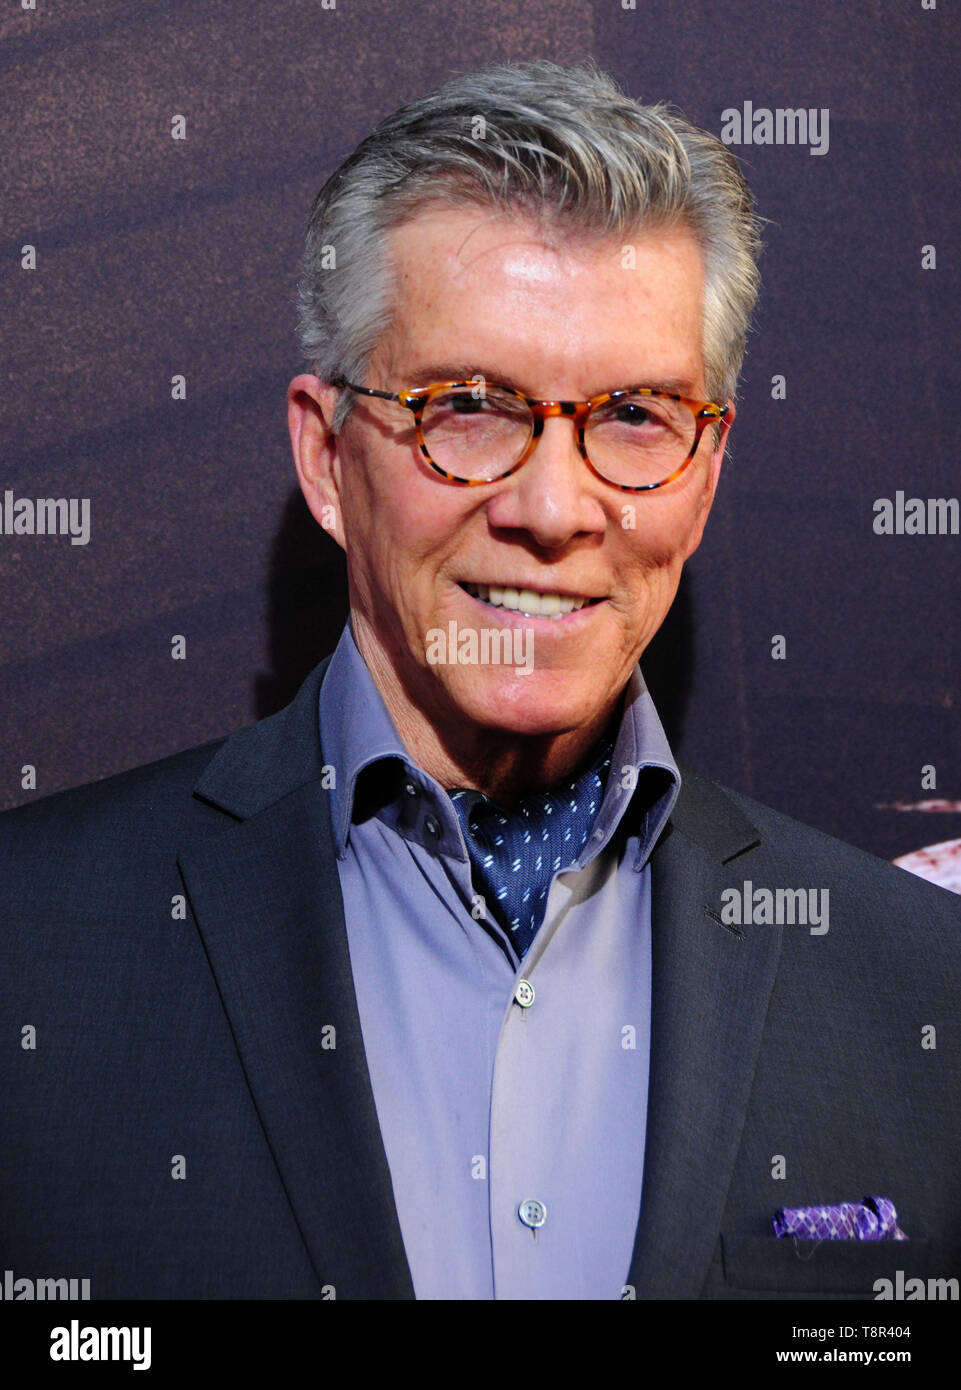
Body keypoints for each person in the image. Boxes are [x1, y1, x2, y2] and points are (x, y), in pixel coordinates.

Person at [2, 61, 959, 1302]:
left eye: (632, 414)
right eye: (468, 407)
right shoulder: (32, 948)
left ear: (706, 473)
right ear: (328, 457)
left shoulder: (919, 989)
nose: (554, 509)